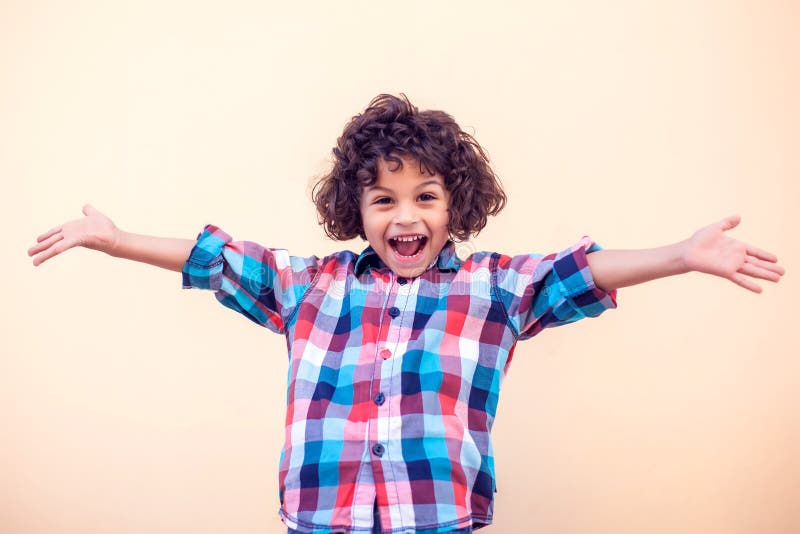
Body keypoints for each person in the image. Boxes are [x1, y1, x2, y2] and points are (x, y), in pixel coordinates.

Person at [27, 94, 785, 534]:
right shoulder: (309, 286)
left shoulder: (492, 289)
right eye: (384, 199)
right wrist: (117, 240)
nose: (406, 215)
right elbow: (217, 257)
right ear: (356, 211)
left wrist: (682, 255)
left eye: (426, 196)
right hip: (321, 520)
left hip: (439, 519)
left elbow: (579, 271)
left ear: (455, 203)